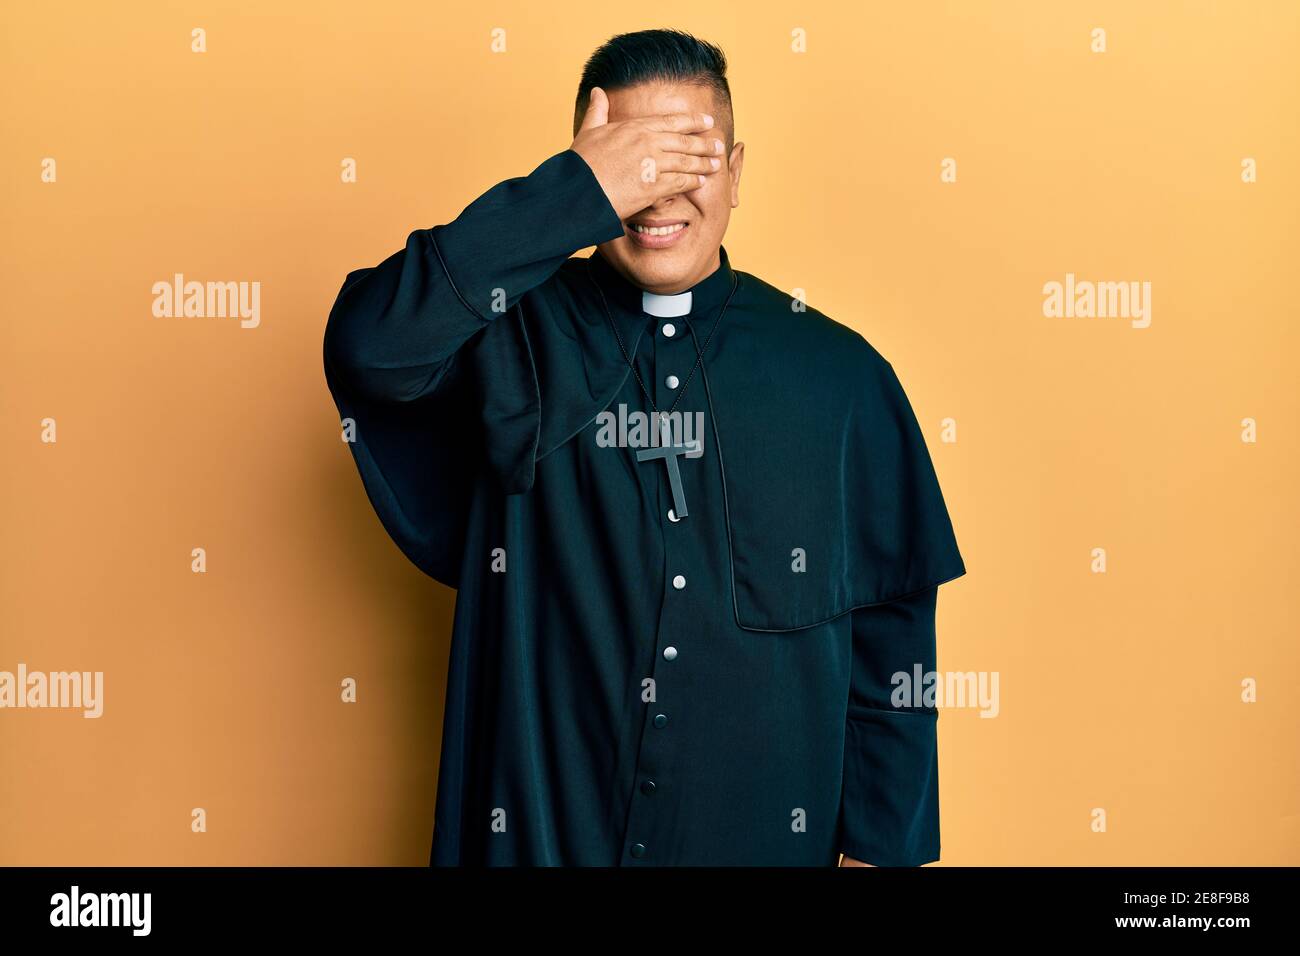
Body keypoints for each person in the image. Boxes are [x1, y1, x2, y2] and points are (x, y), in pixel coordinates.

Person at [322, 28, 966, 866]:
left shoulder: (840, 376)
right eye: (632, 163)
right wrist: (570, 197)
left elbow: (894, 644)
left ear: (736, 172)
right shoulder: (505, 336)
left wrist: (881, 852)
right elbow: (371, 350)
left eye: (686, 159)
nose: (656, 196)